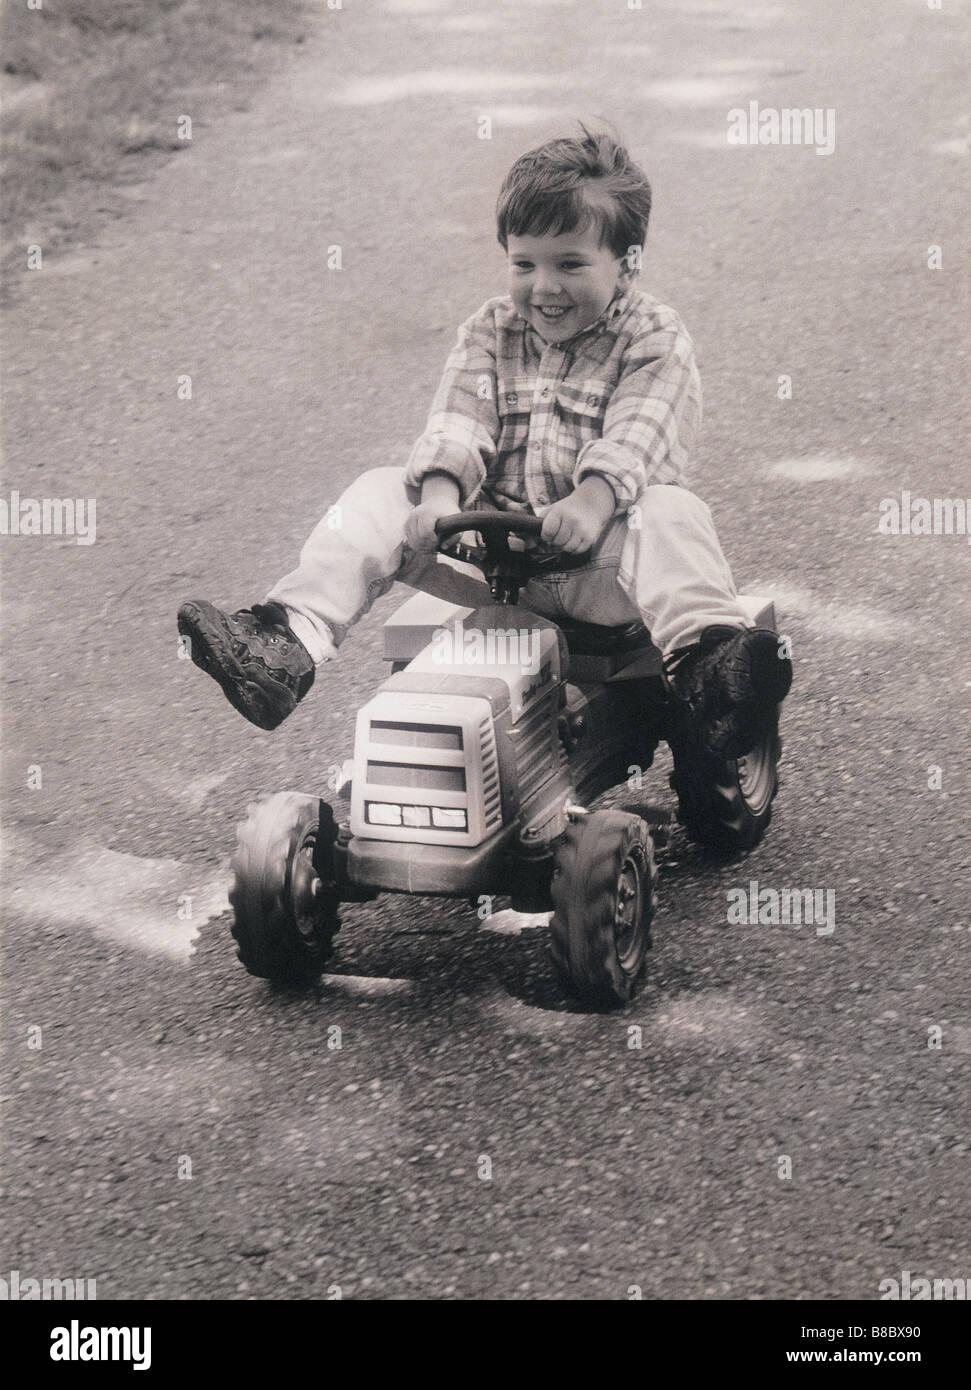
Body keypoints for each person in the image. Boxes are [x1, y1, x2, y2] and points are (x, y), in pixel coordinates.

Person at [178, 125, 791, 758]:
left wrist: (592, 502)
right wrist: (440, 499)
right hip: (495, 566)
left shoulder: (654, 339)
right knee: (378, 492)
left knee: (672, 512)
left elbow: (641, 435)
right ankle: (285, 643)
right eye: (524, 263)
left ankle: (710, 667)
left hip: (603, 575)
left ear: (628, 262)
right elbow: (458, 422)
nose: (544, 287)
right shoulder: (491, 332)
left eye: (570, 264)